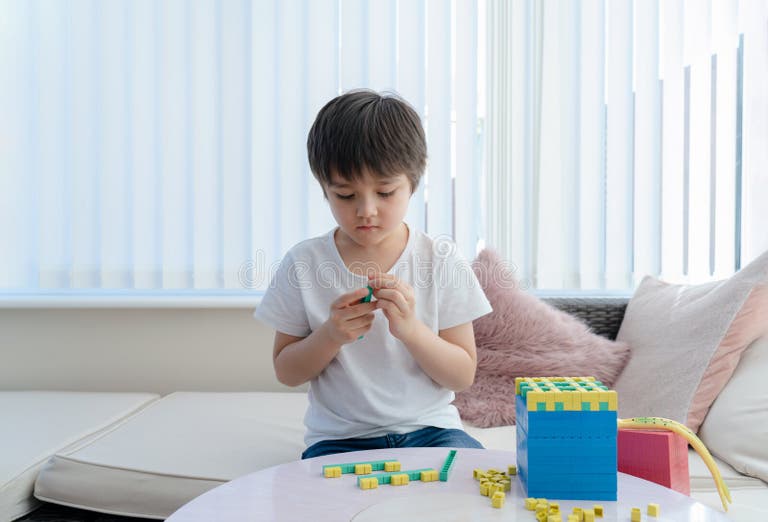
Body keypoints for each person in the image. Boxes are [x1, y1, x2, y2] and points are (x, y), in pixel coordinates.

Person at [255, 89, 492, 459]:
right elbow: (286, 371)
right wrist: (331, 334)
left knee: (472, 494)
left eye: (385, 192)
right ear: (325, 190)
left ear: (412, 183)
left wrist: (411, 330)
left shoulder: (441, 260)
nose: (366, 210)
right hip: (339, 440)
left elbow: (462, 376)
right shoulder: (303, 264)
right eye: (346, 196)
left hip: (432, 431)